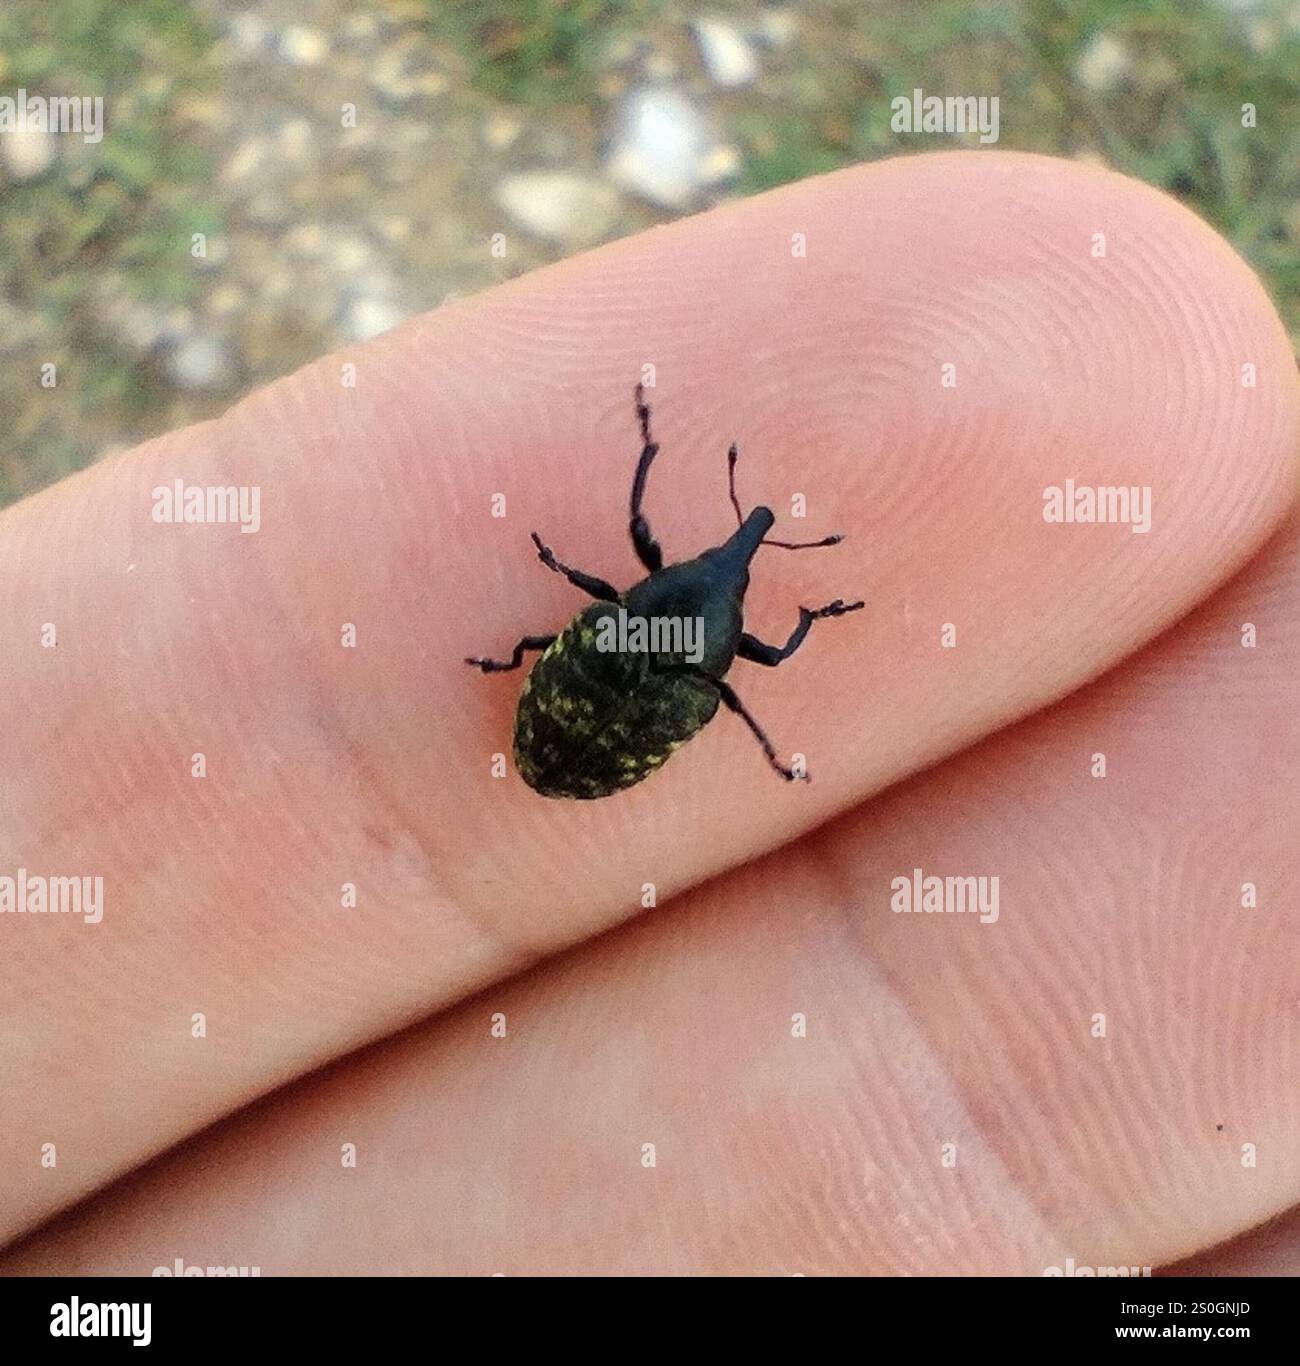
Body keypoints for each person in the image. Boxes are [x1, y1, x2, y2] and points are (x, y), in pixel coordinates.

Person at [1, 151, 1297, 1274]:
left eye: (725, 569)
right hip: (581, 719)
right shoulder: (701, 649)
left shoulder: (666, 625)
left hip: (583, 714)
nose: (731, 554)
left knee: (584, 625)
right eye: (721, 559)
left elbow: (703, 622)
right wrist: (777, 643)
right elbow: (743, 646)